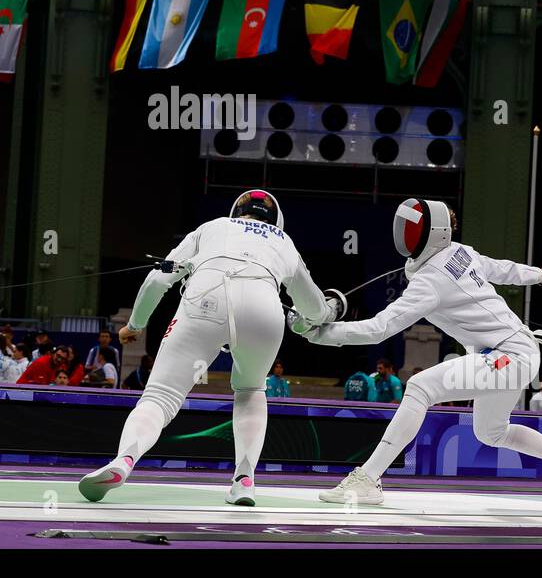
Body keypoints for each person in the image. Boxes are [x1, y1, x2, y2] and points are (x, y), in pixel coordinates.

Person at [300, 198, 542, 505]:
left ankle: (368, 479)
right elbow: (502, 270)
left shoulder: (431, 280)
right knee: (492, 433)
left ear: (433, 233)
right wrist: (541, 274)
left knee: (421, 387)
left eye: (411, 229)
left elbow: (380, 328)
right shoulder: (461, 253)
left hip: (508, 355)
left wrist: (321, 334)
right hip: (511, 353)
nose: (404, 234)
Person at [78, 189, 344, 506]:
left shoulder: (213, 226)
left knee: (160, 396)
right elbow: (313, 308)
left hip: (205, 299)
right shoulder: (284, 242)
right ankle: (244, 480)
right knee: (250, 390)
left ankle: (123, 461)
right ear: (275, 220)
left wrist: (135, 325)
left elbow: (157, 279)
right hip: (264, 310)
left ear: (237, 210)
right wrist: (328, 312)